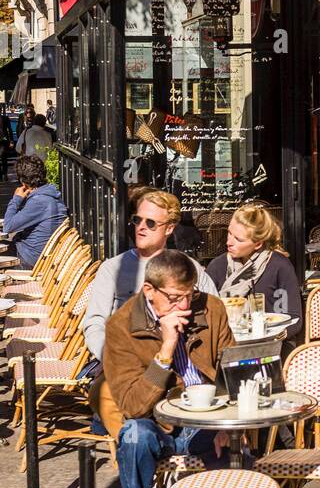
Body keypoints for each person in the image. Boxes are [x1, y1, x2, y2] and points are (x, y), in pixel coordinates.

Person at [101, 250, 232, 488]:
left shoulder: (212, 309)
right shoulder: (120, 327)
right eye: (174, 298)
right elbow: (131, 406)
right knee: (132, 437)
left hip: (204, 420)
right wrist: (165, 349)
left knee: (224, 444)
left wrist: (229, 420)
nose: (184, 307)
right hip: (154, 422)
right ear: (149, 291)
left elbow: (231, 372)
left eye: (189, 296)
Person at [83, 189, 217, 362]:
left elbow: (214, 312)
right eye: (137, 220)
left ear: (169, 228)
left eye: (151, 223)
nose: (141, 227)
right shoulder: (113, 269)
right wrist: (112, 358)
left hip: (183, 356)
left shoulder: (189, 266)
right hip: (128, 357)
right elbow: (95, 323)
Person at [206, 203, 301, 323]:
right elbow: (205, 312)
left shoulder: (279, 266)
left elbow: (293, 317)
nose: (229, 242)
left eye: (238, 239)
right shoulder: (218, 266)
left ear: (258, 244)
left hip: (269, 338)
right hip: (228, 338)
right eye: (229, 233)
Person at [3, 155, 68, 269]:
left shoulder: (39, 201)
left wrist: (16, 199)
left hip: (30, 259)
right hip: (39, 254)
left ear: (23, 182)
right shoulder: (51, 195)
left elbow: (7, 226)